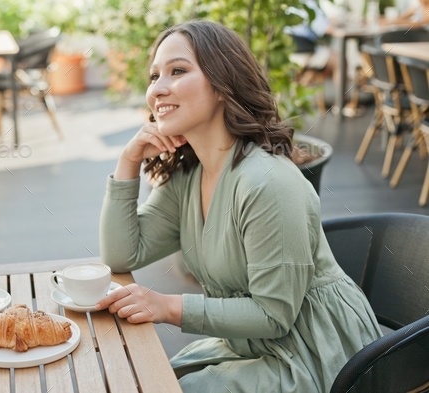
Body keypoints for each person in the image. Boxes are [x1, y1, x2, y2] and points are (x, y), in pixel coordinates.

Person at [95, 20, 382, 392]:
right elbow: (121, 254)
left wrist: (166, 306)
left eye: (178, 71)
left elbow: (273, 314)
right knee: (137, 381)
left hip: (317, 355)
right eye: (155, 76)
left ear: (221, 84)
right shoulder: (188, 176)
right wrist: (127, 161)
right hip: (248, 345)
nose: (157, 88)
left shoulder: (268, 183)